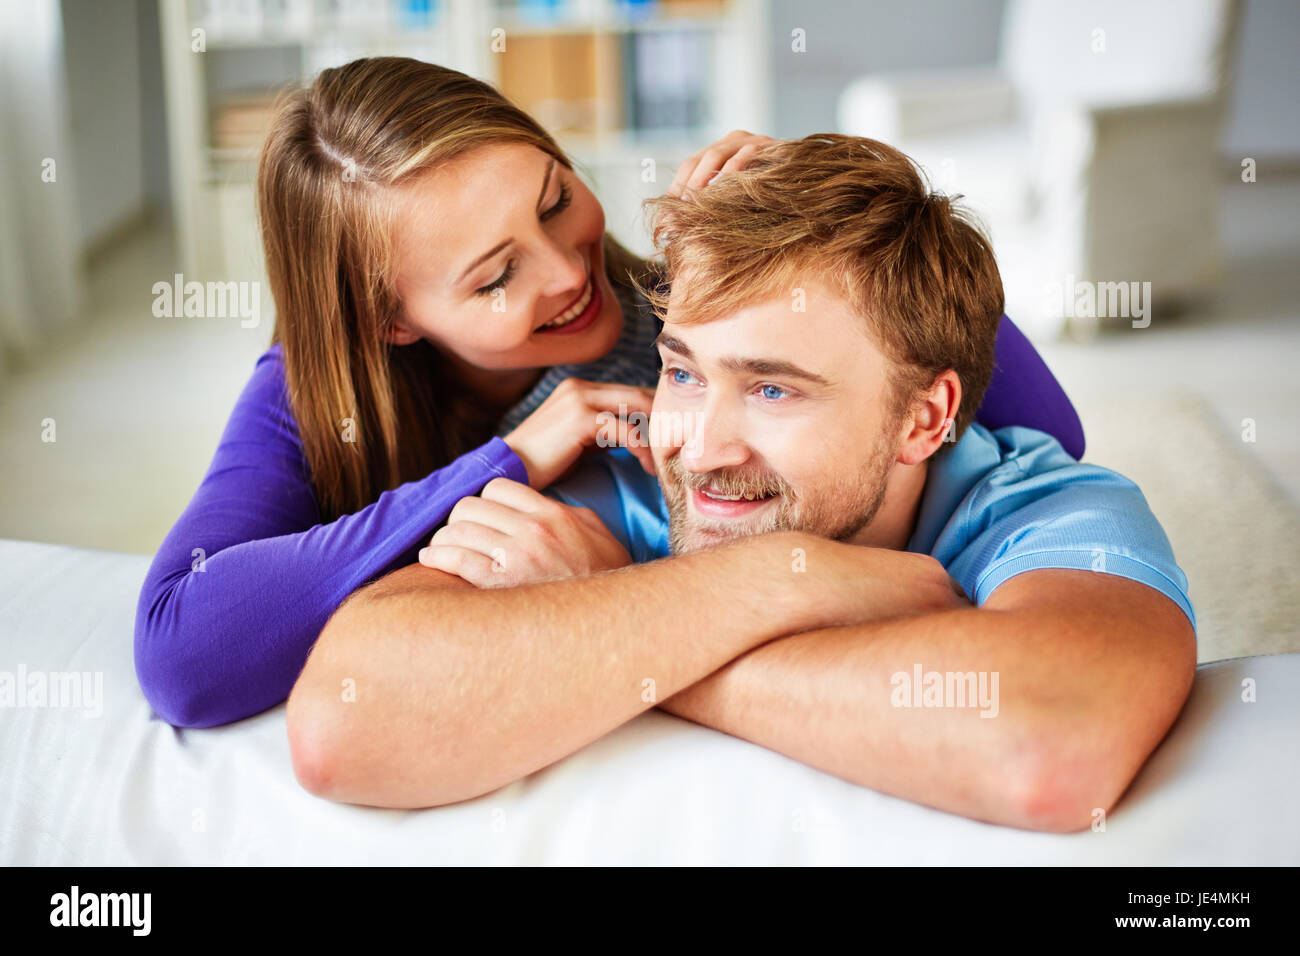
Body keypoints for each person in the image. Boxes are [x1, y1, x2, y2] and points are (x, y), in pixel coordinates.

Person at [135, 59, 1083, 730]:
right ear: (392, 320)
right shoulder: (307, 391)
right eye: (495, 276)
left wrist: (870, 231)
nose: (567, 270)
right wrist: (510, 458)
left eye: (554, 200)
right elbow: (181, 654)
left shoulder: (676, 306)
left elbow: (1048, 437)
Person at [285, 135, 1194, 834]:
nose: (700, 447)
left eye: (771, 389)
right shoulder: (629, 488)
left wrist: (622, 610)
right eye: (683, 372)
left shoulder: (1053, 511)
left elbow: (1045, 745)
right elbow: (344, 723)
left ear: (925, 419)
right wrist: (780, 585)